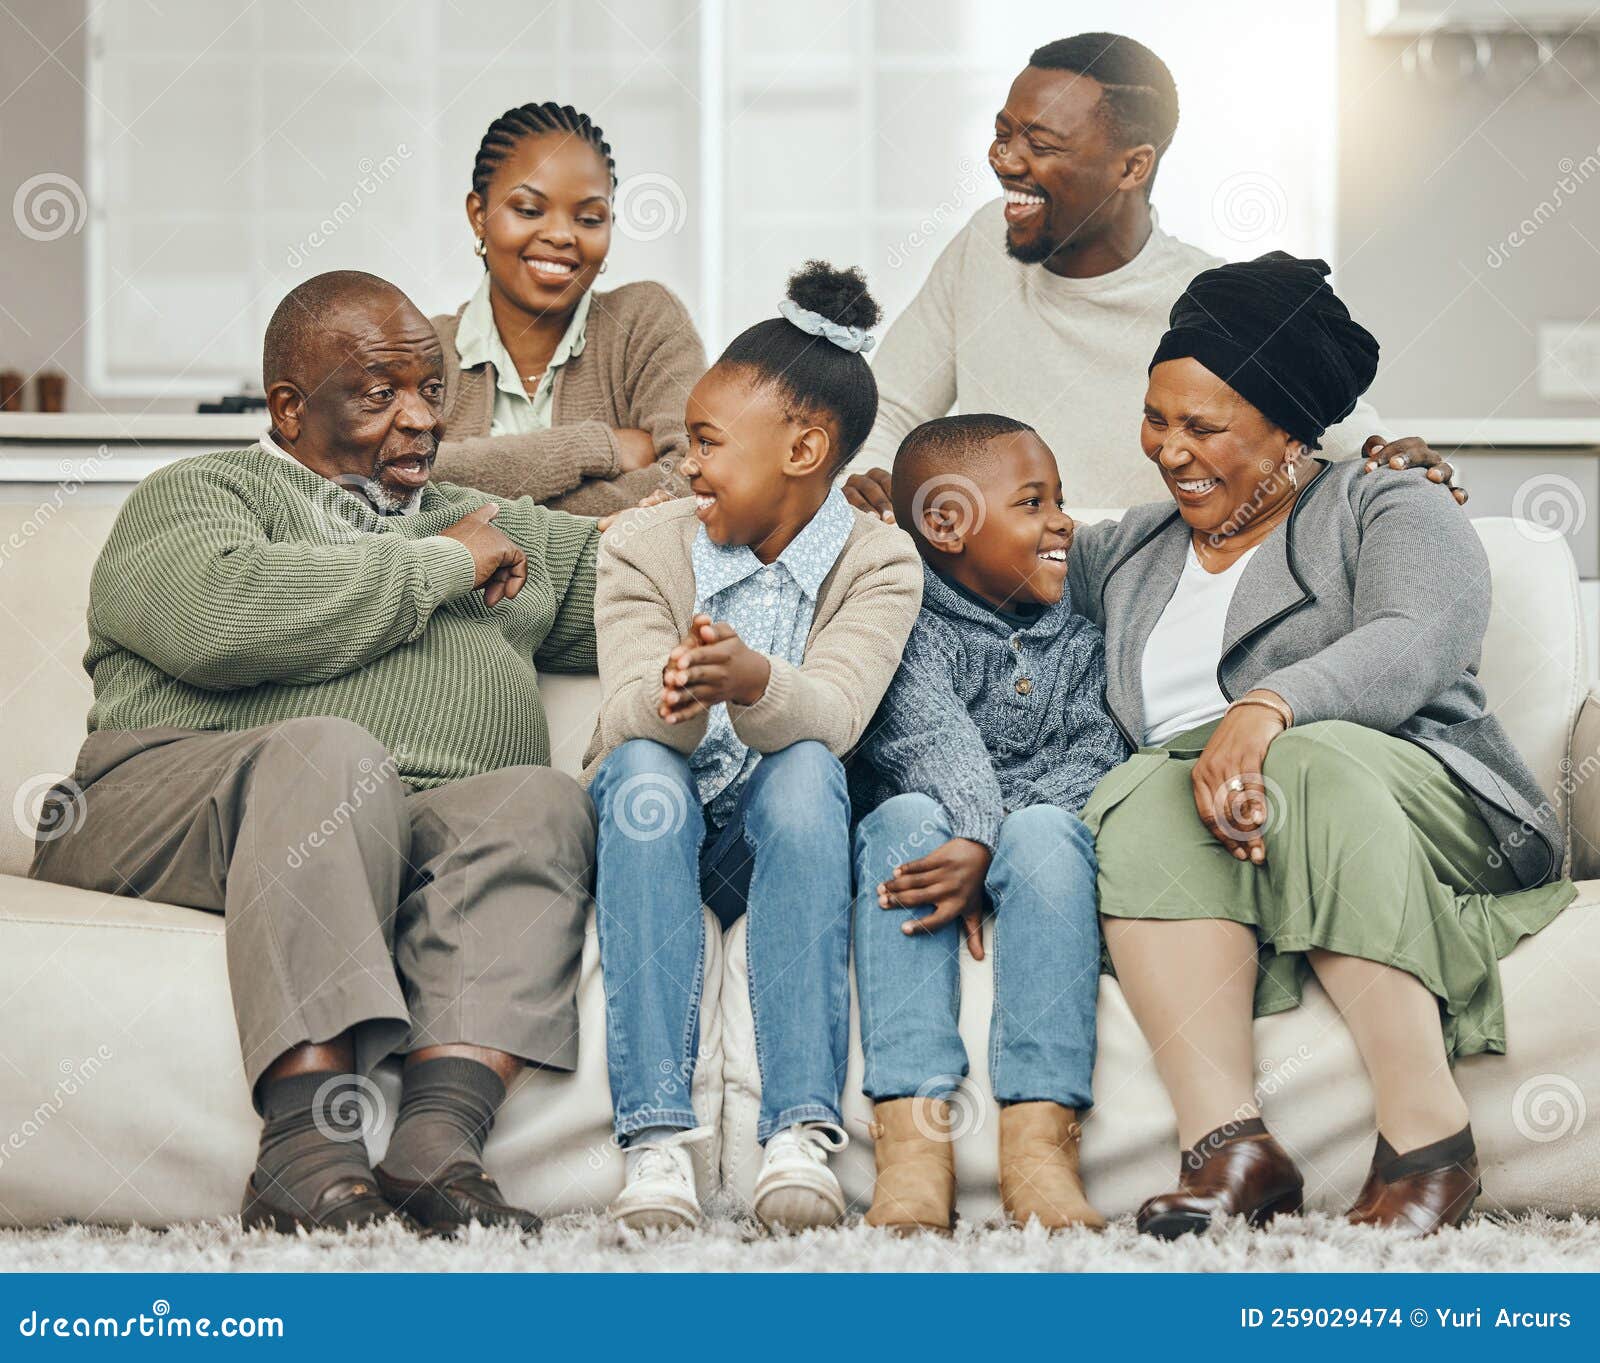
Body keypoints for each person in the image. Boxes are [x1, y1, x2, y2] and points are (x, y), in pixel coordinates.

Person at [29, 270, 603, 1236]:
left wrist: (831, 530)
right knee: (333, 756)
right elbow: (219, 613)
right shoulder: (204, 492)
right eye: (381, 395)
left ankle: (437, 1145)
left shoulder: (492, 522)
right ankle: (303, 1147)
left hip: (401, 821)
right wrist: (446, 563)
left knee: (541, 802)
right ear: (290, 408)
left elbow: (658, 583)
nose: (420, 419)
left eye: (432, 390)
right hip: (176, 799)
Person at [1068, 252, 1575, 1238]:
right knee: (1133, 797)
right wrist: (905, 506)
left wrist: (1267, 708)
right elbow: (1002, 547)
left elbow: (1415, 636)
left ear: (1289, 430)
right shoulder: (1127, 548)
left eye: (1202, 427)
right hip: (1218, 830)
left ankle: (1427, 1141)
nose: (1169, 452)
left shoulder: (1385, 505)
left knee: (1305, 755)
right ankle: (1231, 1149)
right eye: (1155, 419)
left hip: (1418, 803)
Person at [582, 263, 922, 1234]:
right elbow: (619, 717)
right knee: (643, 768)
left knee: (812, 764)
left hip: (787, 841)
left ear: (804, 448)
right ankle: (654, 1144)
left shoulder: (879, 559)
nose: (688, 466)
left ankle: (795, 1132)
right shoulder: (643, 546)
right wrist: (678, 695)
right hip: (659, 833)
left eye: (707, 444)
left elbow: (838, 711)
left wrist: (753, 681)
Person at [839, 33, 1463, 516]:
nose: (1004, 160)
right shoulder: (982, 243)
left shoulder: (1213, 299)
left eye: (1041, 144)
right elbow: (889, 405)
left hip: (1136, 602)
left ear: (1132, 166)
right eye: (1002, 135)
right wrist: (871, 475)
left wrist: (1392, 461)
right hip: (995, 594)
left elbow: (1345, 437)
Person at [850, 414, 1130, 1234]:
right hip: (930, 844)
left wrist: (991, 839)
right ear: (943, 523)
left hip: (1016, 852)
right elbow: (926, 738)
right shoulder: (905, 619)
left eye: (1061, 501)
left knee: (1049, 830)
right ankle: (910, 1148)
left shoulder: (1079, 643)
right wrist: (964, 834)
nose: (1062, 523)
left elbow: (1096, 753)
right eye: (1034, 503)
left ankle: (1040, 1149)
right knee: (905, 816)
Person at [431, 102, 707, 516]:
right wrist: (599, 447)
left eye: (590, 218)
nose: (561, 235)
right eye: (528, 210)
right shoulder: (422, 349)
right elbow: (389, 484)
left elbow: (693, 479)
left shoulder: (645, 322)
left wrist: (475, 511)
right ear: (478, 216)